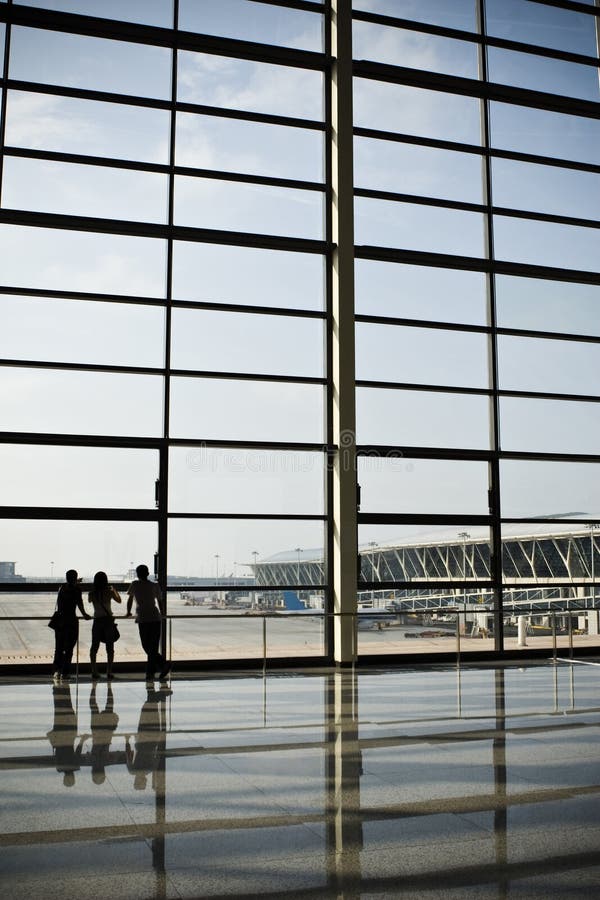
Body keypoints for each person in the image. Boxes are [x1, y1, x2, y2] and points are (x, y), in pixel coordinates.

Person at [126, 564, 170, 683]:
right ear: (147, 573)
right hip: (155, 618)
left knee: (147, 646)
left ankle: (151, 672)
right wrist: (162, 613)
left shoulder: (134, 585)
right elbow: (160, 601)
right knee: (152, 647)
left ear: (137, 574)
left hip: (143, 618)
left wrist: (128, 612)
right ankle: (162, 666)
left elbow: (130, 599)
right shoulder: (154, 585)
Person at [52, 568, 91, 682]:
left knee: (59, 647)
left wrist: (75, 582)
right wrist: (84, 614)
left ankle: (57, 671)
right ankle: (65, 672)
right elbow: (79, 603)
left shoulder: (62, 588)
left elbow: (68, 588)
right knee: (69, 649)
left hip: (60, 621)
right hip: (71, 621)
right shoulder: (77, 589)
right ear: (75, 578)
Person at [88, 570, 121, 680]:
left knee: (94, 647)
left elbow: (89, 601)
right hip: (108, 621)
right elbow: (119, 600)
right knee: (110, 647)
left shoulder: (92, 593)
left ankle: (94, 670)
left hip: (97, 621)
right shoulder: (109, 592)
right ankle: (109, 671)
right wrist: (114, 589)